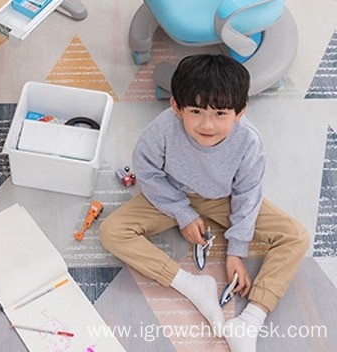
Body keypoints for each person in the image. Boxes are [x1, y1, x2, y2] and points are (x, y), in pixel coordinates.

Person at [99, 54, 308, 351]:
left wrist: (236, 250)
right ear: (176, 106)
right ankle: (192, 286)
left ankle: (251, 320)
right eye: (195, 111)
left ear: (240, 112)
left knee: (296, 237)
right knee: (111, 231)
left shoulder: (250, 141)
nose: (207, 124)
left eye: (221, 113)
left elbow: (248, 195)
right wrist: (182, 213)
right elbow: (147, 172)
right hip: (172, 195)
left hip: (226, 199)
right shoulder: (161, 131)